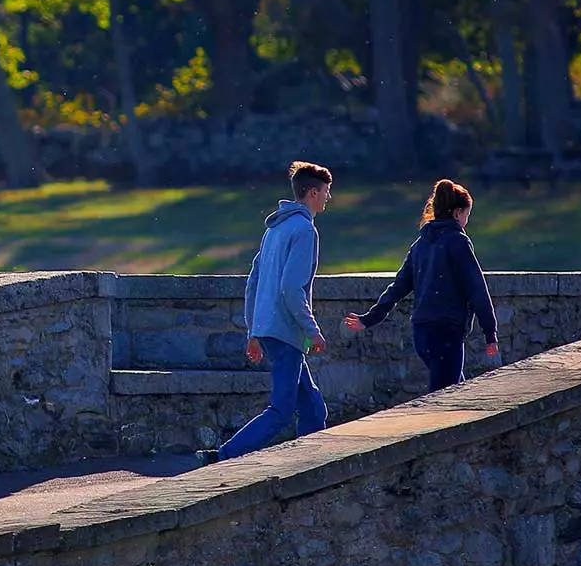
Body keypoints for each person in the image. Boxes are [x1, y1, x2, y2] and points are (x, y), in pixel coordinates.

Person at [201, 161, 334, 463]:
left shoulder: (275, 229)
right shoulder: (304, 230)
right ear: (312, 192)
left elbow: (254, 283)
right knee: (281, 411)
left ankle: (310, 464)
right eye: (326, 192)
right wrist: (312, 330)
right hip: (286, 331)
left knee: (313, 408)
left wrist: (253, 331)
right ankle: (223, 456)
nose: (328, 198)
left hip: (269, 329)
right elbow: (290, 288)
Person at [344, 178, 499, 392]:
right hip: (446, 331)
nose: (466, 221)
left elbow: (398, 287)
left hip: (421, 333)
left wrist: (368, 319)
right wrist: (490, 333)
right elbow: (477, 289)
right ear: (457, 213)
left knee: (457, 391)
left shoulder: (420, 245)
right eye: (466, 215)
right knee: (444, 399)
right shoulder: (458, 241)